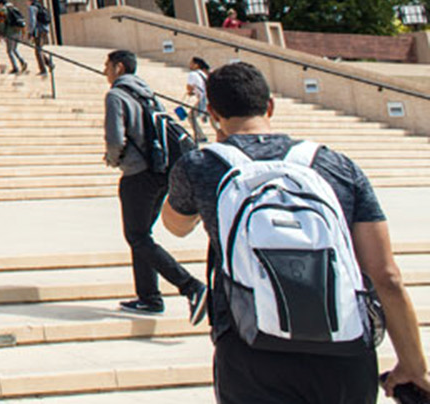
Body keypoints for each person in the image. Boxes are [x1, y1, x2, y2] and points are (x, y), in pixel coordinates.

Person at [163, 61, 429, 404]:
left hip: (251, 350)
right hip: (345, 349)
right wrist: (413, 365)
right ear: (270, 104)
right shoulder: (335, 165)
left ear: (212, 112)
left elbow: (175, 225)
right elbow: (387, 276)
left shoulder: (201, 166)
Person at [102, 49, 207, 316]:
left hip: (138, 175)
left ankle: (191, 287)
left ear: (120, 67)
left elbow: (115, 138)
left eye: (108, 65)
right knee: (141, 236)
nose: (105, 70)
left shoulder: (116, 95)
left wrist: (113, 159)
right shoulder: (147, 93)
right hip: (162, 171)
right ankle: (149, 297)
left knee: (136, 236)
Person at [181, 56, 211, 142]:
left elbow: (189, 87)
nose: (190, 65)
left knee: (191, 116)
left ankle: (200, 136)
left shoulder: (192, 74)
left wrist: (190, 92)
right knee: (213, 120)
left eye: (192, 63)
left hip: (203, 99)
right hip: (209, 98)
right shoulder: (203, 73)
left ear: (196, 65)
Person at [0, 0, 29, 75]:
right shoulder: (15, 9)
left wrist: (1, 33)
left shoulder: (3, 11)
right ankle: (22, 62)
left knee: (9, 51)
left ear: (1, 4)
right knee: (14, 49)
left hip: (10, 33)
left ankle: (15, 67)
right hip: (18, 32)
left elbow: (2, 23)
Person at [27, 0, 53, 76]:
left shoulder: (32, 8)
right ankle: (49, 63)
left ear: (30, 0)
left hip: (38, 30)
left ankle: (43, 70)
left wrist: (30, 32)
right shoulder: (41, 7)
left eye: (27, 0)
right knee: (39, 48)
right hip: (45, 30)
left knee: (37, 50)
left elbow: (32, 21)